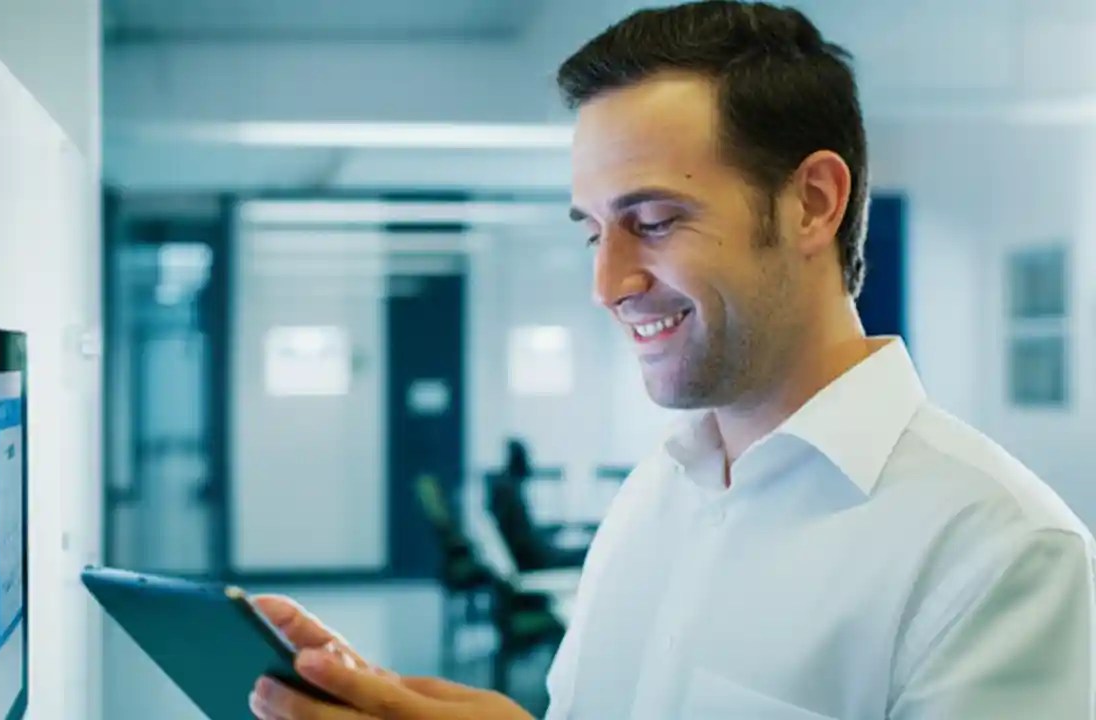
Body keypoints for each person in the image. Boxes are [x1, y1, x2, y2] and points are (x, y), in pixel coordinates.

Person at [243, 2, 1096, 718]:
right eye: (592, 231)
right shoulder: (656, 493)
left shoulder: (999, 555)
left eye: (653, 222)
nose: (608, 283)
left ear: (812, 203)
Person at [487, 439, 588, 571]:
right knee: (591, 552)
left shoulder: (506, 490)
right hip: (539, 560)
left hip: (539, 554)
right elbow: (524, 542)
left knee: (587, 552)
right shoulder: (508, 493)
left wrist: (547, 532)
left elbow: (523, 534)